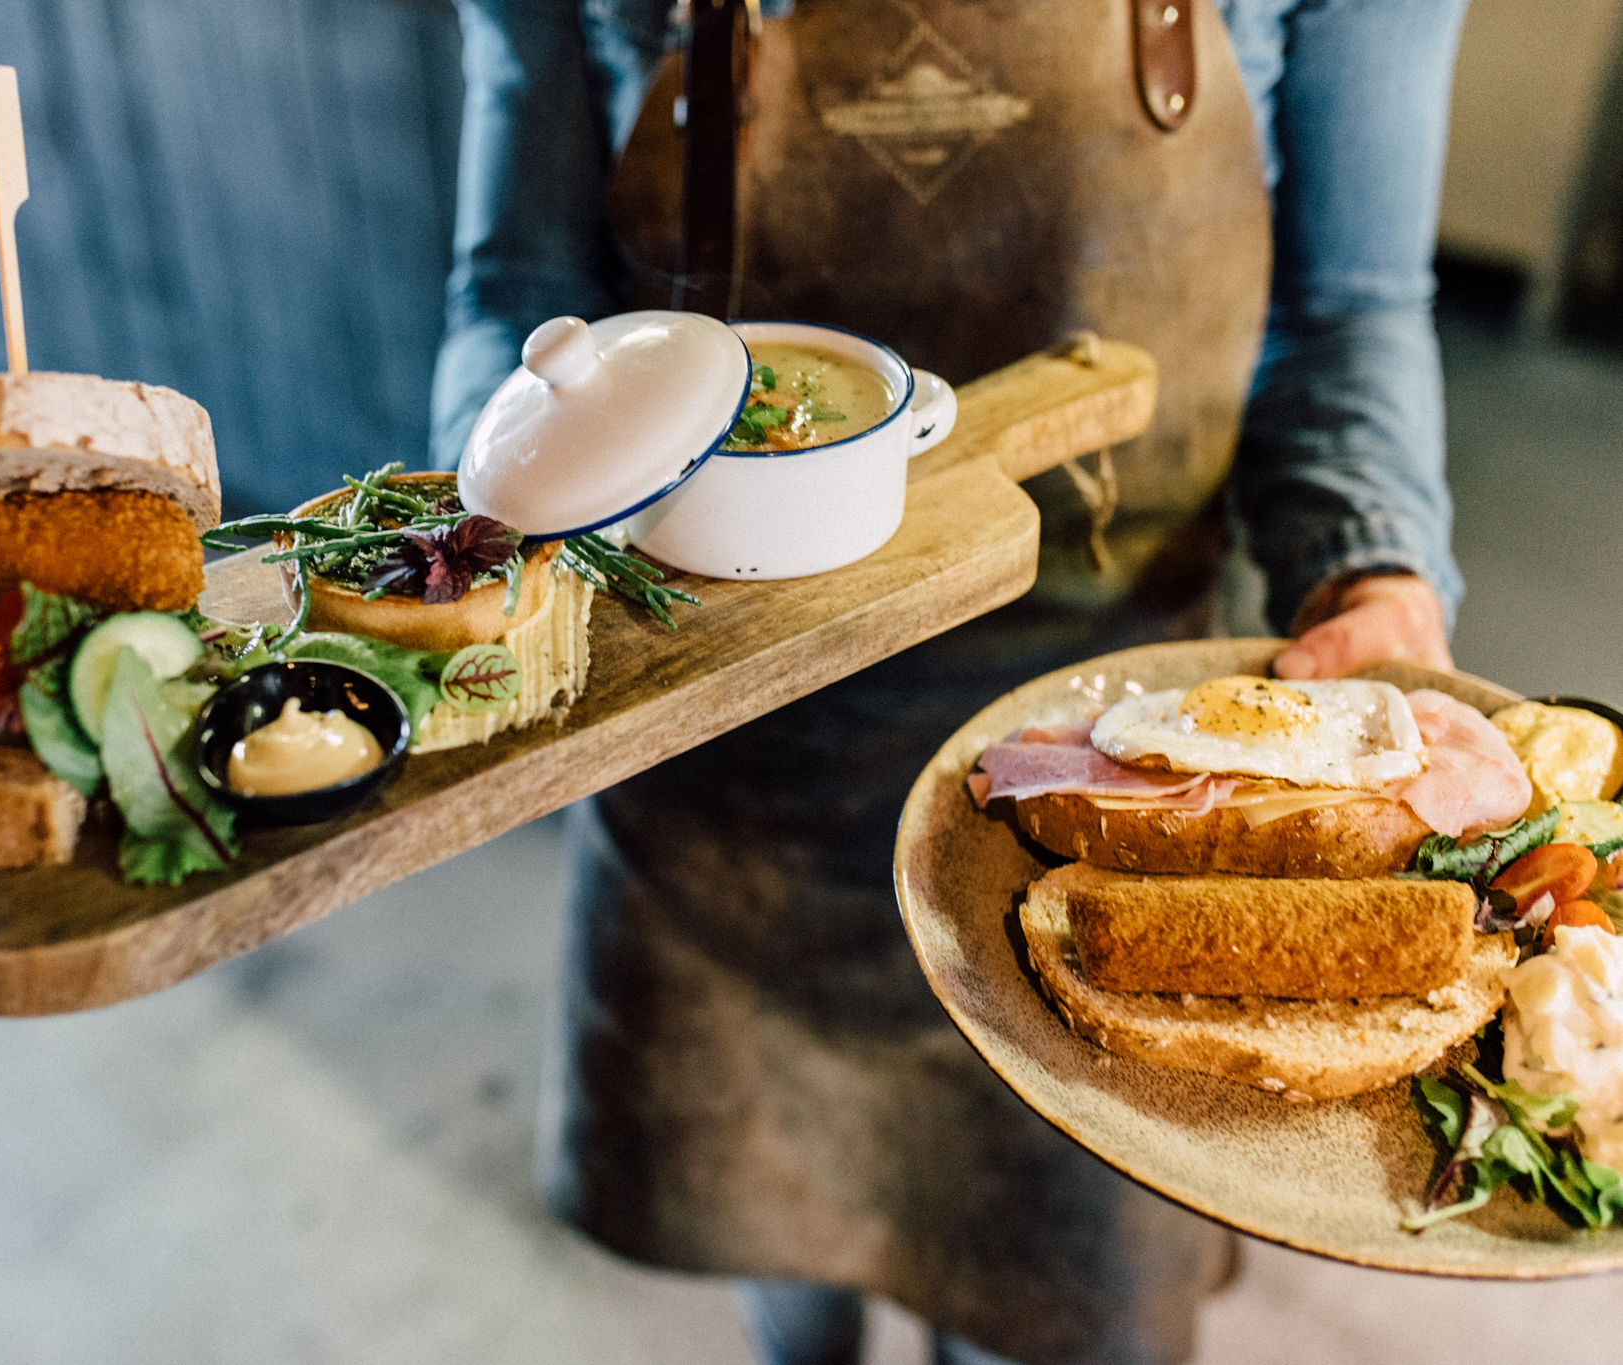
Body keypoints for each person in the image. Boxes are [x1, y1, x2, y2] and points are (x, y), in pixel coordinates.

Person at [429, 1, 1468, 1362]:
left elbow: (1344, 308)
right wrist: (489, 514)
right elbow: (519, 292)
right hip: (728, 812)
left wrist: (1369, 565)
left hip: (1115, 817)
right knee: (785, 1273)